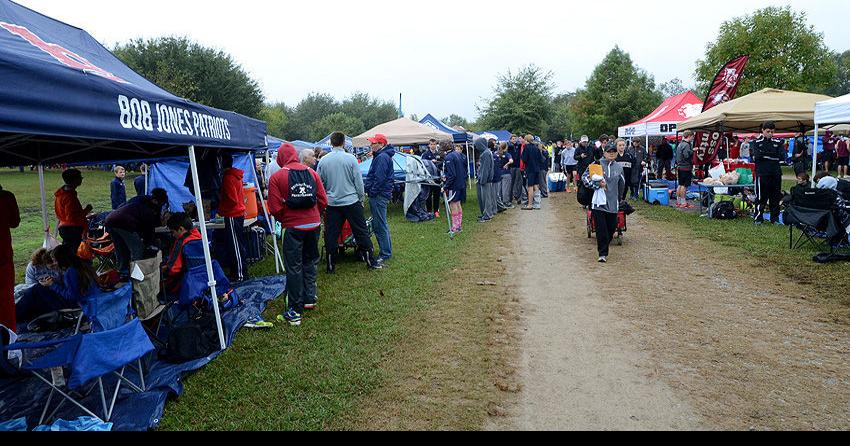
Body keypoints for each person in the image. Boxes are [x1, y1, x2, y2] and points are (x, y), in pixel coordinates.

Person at [269, 143, 328, 326]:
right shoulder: (312, 173)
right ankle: (309, 298)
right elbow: (323, 200)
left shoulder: (277, 177)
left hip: (293, 227)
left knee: (294, 266)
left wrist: (287, 218)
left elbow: (275, 208)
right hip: (313, 224)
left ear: (280, 158)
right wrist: (313, 214)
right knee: (310, 261)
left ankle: (294, 310)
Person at [318, 132, 381, 273]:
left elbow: (319, 183)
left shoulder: (323, 160)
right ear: (344, 142)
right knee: (361, 232)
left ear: (331, 143)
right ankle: (370, 261)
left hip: (333, 202)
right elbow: (358, 182)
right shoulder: (350, 159)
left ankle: (330, 265)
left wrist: (325, 198)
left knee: (331, 234)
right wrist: (361, 198)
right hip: (351, 200)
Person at [105, 188, 169, 276]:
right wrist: (149, 243)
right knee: (137, 249)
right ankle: (136, 274)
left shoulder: (141, 199)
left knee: (121, 248)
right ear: (156, 201)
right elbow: (148, 229)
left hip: (111, 220)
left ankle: (123, 272)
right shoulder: (148, 209)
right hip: (124, 223)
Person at [582, 145, 625, 264]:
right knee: (601, 229)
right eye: (609, 152)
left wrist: (620, 198)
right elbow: (584, 178)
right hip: (598, 203)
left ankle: (605, 244)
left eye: (614, 152)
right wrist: (596, 185)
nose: (611, 154)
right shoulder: (597, 164)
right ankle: (602, 253)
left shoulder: (619, 167)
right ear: (604, 153)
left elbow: (622, 184)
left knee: (611, 228)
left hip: (612, 203)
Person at [31, 244, 97, 313]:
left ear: (61, 260)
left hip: (80, 303)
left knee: (37, 289)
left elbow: (72, 297)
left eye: (55, 261)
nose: (55, 263)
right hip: (92, 299)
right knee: (38, 291)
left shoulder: (70, 272)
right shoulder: (82, 265)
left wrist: (52, 284)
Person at [217, 154, 249, 283]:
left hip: (232, 214)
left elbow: (232, 199)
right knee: (237, 244)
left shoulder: (227, 178)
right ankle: (237, 272)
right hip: (237, 213)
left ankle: (240, 274)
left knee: (235, 246)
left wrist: (221, 208)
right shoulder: (236, 176)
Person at [364, 134, 396, 264]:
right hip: (381, 194)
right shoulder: (382, 156)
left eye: (373, 143)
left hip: (379, 195)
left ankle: (385, 253)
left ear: (381, 144)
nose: (371, 145)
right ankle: (386, 251)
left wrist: (372, 192)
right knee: (381, 224)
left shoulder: (382, 157)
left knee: (380, 225)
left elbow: (379, 178)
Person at [161, 213, 205, 297]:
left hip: (184, 285)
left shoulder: (181, 242)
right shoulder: (200, 237)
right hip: (202, 281)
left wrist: (161, 269)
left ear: (181, 229)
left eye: (172, 232)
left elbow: (173, 269)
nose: (173, 235)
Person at [751, 122, 785, 225]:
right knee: (761, 197)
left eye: (772, 132)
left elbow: (782, 156)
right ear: (763, 130)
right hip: (762, 173)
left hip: (776, 173)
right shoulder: (756, 142)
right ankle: (758, 218)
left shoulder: (779, 142)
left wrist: (765, 155)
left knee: (775, 197)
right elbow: (757, 157)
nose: (770, 133)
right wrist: (772, 155)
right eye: (768, 131)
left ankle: (774, 218)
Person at [54, 169, 93, 249]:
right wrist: (87, 210)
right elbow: (72, 217)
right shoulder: (69, 197)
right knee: (72, 253)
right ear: (74, 180)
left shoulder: (61, 194)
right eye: (80, 177)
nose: (81, 179)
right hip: (71, 230)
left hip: (64, 227)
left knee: (67, 252)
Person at [0, 184, 20, 331]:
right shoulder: (6, 198)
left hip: (4, 257)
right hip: (3, 257)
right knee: (6, 300)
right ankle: (9, 338)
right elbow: (14, 222)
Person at [443, 143, 468, 237]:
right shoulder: (458, 154)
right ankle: (458, 226)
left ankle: (455, 227)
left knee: (453, 204)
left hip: (454, 185)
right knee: (457, 203)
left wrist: (445, 186)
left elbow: (452, 174)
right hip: (461, 183)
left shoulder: (449, 157)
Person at [521, 135, 545, 211]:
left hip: (530, 169)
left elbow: (524, 159)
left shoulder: (526, 147)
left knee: (530, 187)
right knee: (536, 185)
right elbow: (541, 159)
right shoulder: (536, 147)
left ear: (527, 140)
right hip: (537, 169)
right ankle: (537, 204)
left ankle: (530, 204)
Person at [475, 138, 496, 223]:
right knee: (484, 198)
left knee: (486, 198)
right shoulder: (486, 152)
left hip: (485, 180)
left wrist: (482, 180)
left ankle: (487, 215)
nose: (476, 147)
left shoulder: (486, 154)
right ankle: (485, 214)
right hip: (485, 179)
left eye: (477, 145)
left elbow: (485, 169)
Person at [675, 131, 695, 209]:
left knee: (680, 184)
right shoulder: (686, 145)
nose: (693, 138)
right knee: (684, 185)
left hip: (680, 167)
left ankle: (678, 202)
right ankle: (683, 203)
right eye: (692, 136)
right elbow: (686, 156)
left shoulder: (680, 144)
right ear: (689, 136)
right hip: (686, 167)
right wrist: (693, 151)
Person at [496, 142, 515, 209]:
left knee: (499, 189)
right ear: (506, 147)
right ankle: (506, 203)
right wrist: (507, 164)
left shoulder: (496, 154)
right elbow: (511, 161)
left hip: (498, 173)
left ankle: (499, 203)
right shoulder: (507, 154)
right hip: (506, 173)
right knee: (505, 189)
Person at [508, 135, 524, 205]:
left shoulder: (519, 145)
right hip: (511, 167)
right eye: (513, 139)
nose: (514, 140)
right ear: (510, 139)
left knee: (518, 182)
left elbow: (522, 145)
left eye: (515, 139)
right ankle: (510, 197)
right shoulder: (509, 146)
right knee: (511, 183)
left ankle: (518, 197)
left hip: (518, 166)